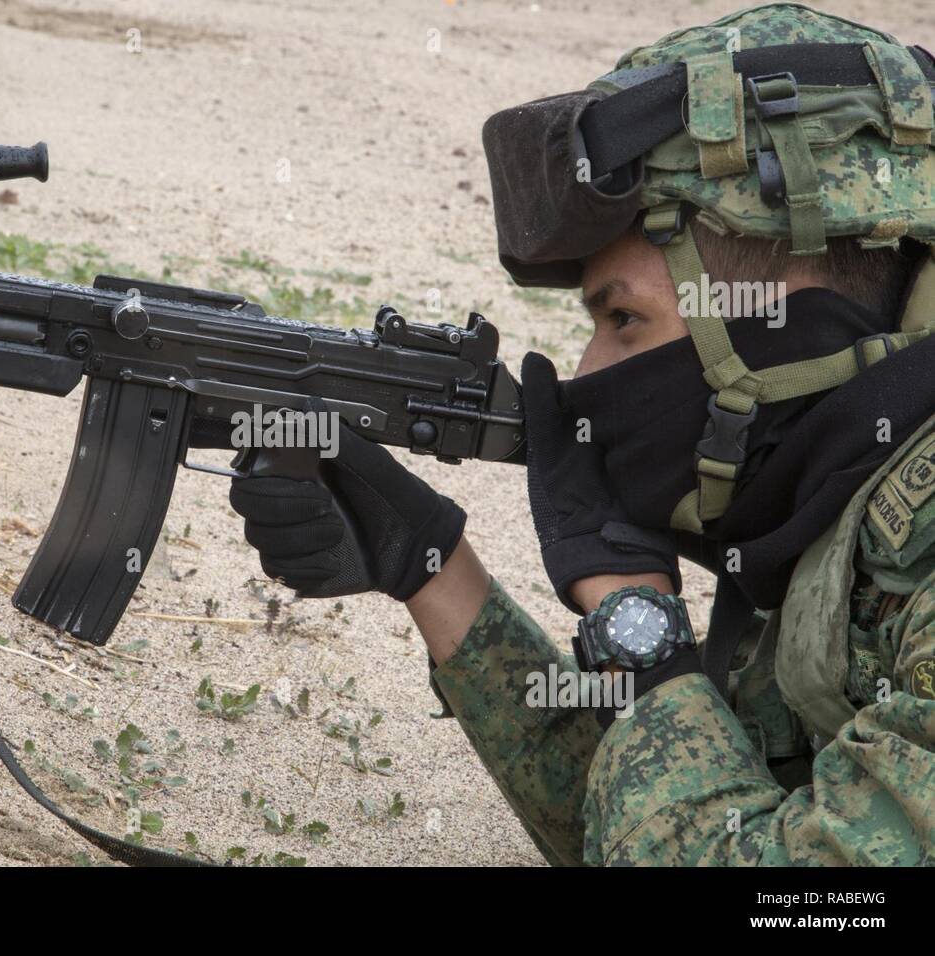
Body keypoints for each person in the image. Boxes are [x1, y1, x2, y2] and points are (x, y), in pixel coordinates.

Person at [227, 3, 935, 864]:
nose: (590, 373)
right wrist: (428, 564)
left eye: (624, 319)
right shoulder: (834, 515)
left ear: (776, 312)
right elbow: (648, 824)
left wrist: (639, 626)